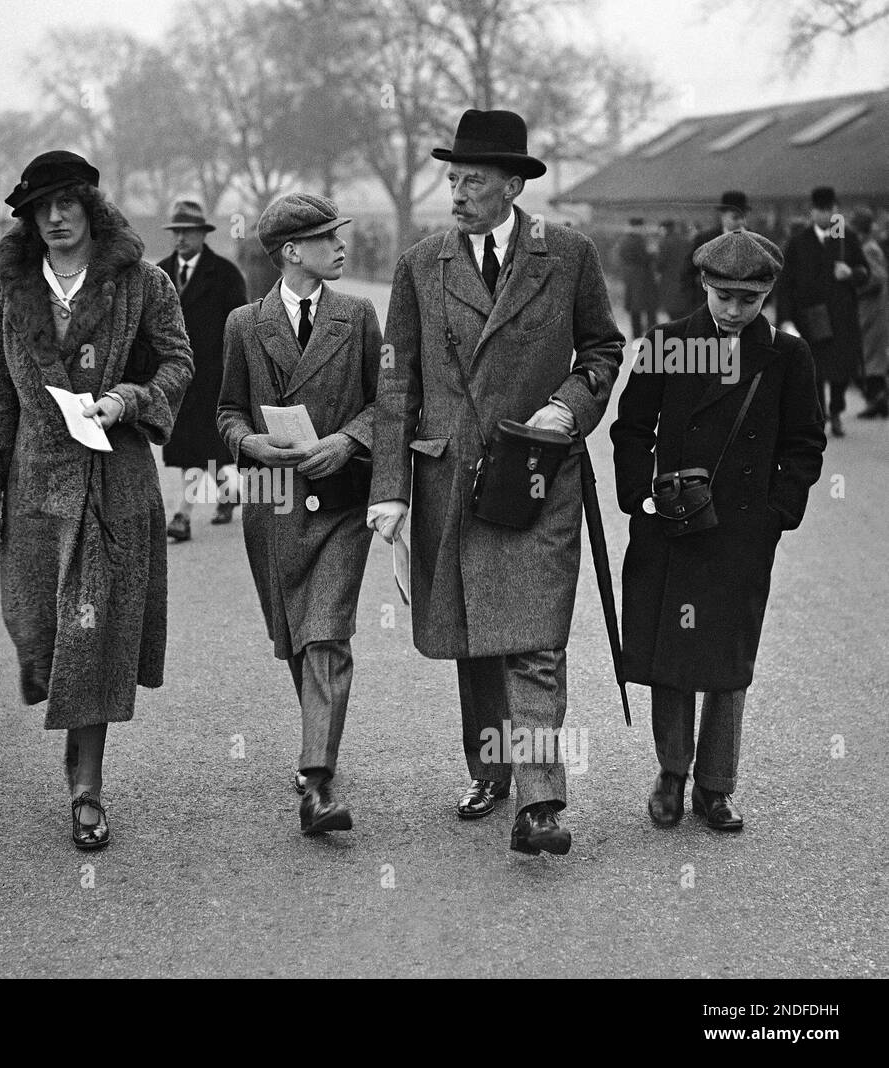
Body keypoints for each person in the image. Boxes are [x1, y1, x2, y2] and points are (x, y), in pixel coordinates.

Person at [368, 109, 623, 856]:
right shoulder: (422, 264)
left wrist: (565, 410)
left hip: (538, 474)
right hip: (451, 477)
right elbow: (395, 383)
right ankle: (491, 768)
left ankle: (540, 803)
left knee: (535, 637)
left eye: (473, 178)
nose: (457, 189)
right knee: (477, 634)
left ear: (513, 185)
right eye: (452, 177)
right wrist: (391, 487)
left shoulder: (569, 255)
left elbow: (603, 351)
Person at [0, 151, 193, 851]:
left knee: (92, 636)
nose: (56, 218)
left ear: (91, 207)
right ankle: (76, 754)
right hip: (34, 485)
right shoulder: (12, 293)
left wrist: (128, 399)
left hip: (112, 484)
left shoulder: (143, 283)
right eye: (42, 208)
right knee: (40, 632)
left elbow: (178, 363)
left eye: (68, 203)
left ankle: (86, 787)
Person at [611, 230, 825, 832]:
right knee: (672, 650)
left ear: (767, 294)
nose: (735, 311)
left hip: (741, 531)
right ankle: (672, 773)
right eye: (724, 296)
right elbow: (631, 429)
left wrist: (777, 511)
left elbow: (804, 442)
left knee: (729, 657)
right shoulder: (669, 344)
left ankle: (716, 786)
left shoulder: (787, 356)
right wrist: (639, 500)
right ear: (704, 285)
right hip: (673, 523)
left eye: (750, 299)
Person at [217, 193, 380, 835]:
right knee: (293, 635)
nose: (342, 247)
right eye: (327, 238)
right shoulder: (242, 325)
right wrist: (250, 443)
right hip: (273, 504)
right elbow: (226, 411)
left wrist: (346, 443)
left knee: (326, 632)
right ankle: (321, 743)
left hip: (339, 499)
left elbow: (385, 403)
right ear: (291, 252)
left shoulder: (360, 316)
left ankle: (317, 783)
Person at [157, 199, 248, 539]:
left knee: (201, 446)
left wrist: (239, 373)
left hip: (213, 376)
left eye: (188, 232)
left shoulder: (225, 273)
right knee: (196, 448)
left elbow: (241, 327)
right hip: (174, 379)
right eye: (176, 231)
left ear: (202, 234)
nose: (181, 238)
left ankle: (181, 515)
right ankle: (231, 493)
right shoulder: (160, 272)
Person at [776, 186, 868, 438]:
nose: (827, 215)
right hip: (810, 317)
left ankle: (836, 410)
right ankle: (820, 416)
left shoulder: (846, 238)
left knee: (840, 369)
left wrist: (851, 273)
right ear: (812, 212)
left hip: (841, 317)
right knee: (814, 370)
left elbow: (864, 272)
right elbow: (785, 285)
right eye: (821, 210)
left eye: (831, 210)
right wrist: (785, 319)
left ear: (835, 210)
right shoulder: (797, 243)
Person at [681, 191, 750, 315]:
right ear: (723, 216)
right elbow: (687, 274)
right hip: (710, 312)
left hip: (744, 312)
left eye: (743, 217)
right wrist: (694, 305)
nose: (741, 222)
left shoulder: (756, 241)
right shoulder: (704, 239)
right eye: (735, 217)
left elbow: (769, 276)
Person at [849, 207, 889, 419]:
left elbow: (877, 277)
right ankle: (878, 400)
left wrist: (853, 288)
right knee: (869, 358)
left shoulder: (868, 249)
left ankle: (878, 401)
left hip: (872, 311)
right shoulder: (866, 247)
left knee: (869, 359)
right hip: (871, 311)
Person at [616, 217, 659, 338]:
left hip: (630, 277)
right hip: (643, 277)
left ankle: (636, 334)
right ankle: (653, 333)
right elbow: (645, 257)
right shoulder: (639, 240)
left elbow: (621, 257)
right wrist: (653, 253)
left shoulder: (624, 240)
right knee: (649, 306)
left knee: (635, 308)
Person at [654, 219, 692, 321]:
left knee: (673, 312)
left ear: (664, 229)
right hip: (685, 280)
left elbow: (659, 264)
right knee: (684, 312)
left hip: (669, 282)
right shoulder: (686, 241)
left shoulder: (665, 243)